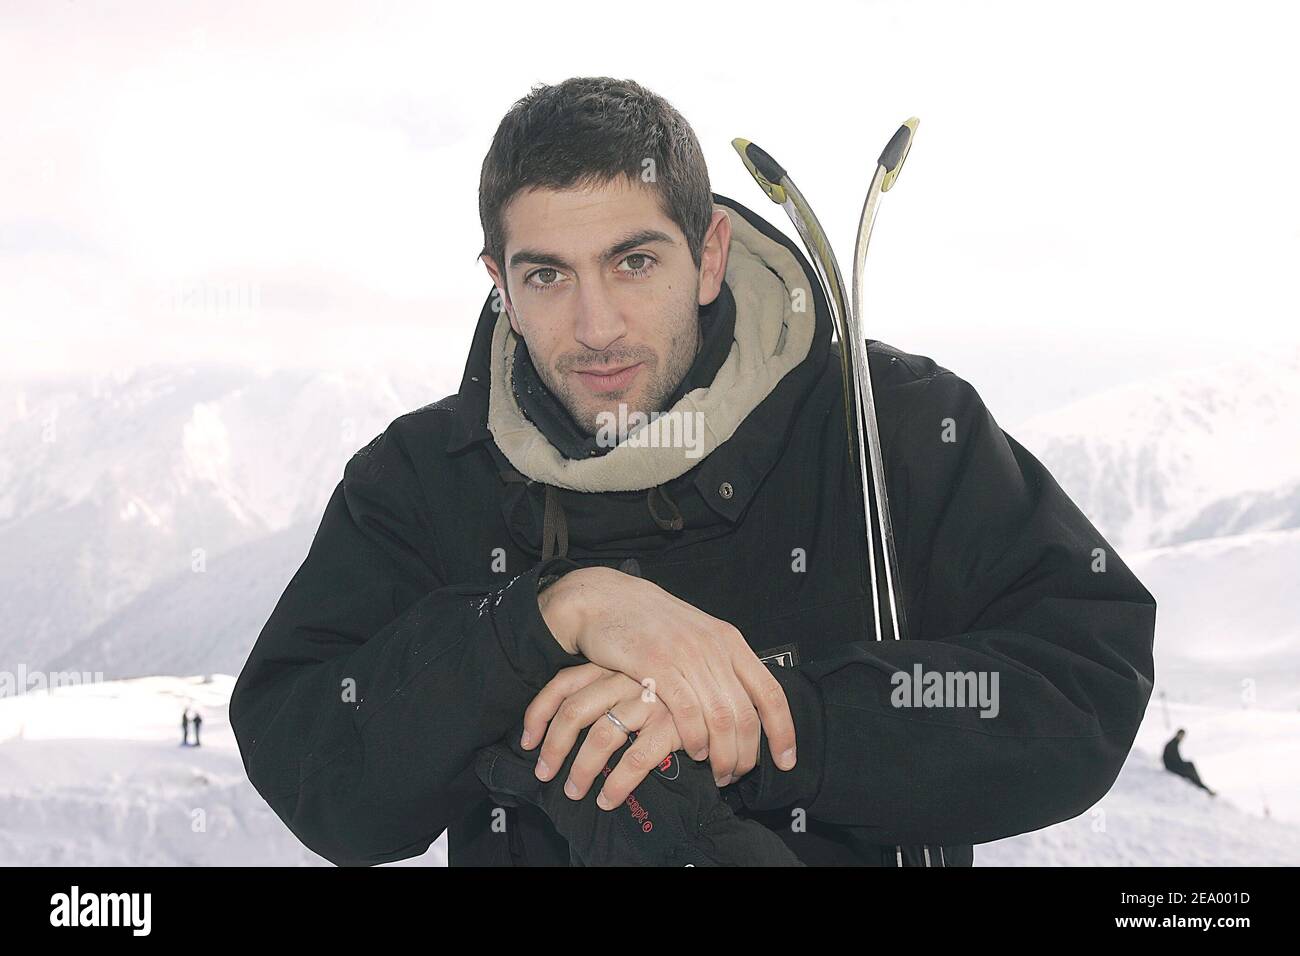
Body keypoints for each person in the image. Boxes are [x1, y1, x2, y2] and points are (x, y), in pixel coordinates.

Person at [230, 76, 1158, 867]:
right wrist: (542, 619)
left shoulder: (891, 424)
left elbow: (1083, 679)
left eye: (635, 262)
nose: (596, 326)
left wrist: (770, 717)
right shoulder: (427, 477)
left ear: (710, 254)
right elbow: (308, 755)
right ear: (498, 284)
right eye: (547, 275)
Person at [1162, 728, 1215, 796]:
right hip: (1172, 767)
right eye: (1181, 736)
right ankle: (1204, 788)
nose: (1182, 738)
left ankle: (1203, 786)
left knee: (1190, 766)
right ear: (1178, 734)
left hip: (1174, 765)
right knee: (1190, 772)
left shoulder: (1174, 743)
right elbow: (1171, 759)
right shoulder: (1172, 744)